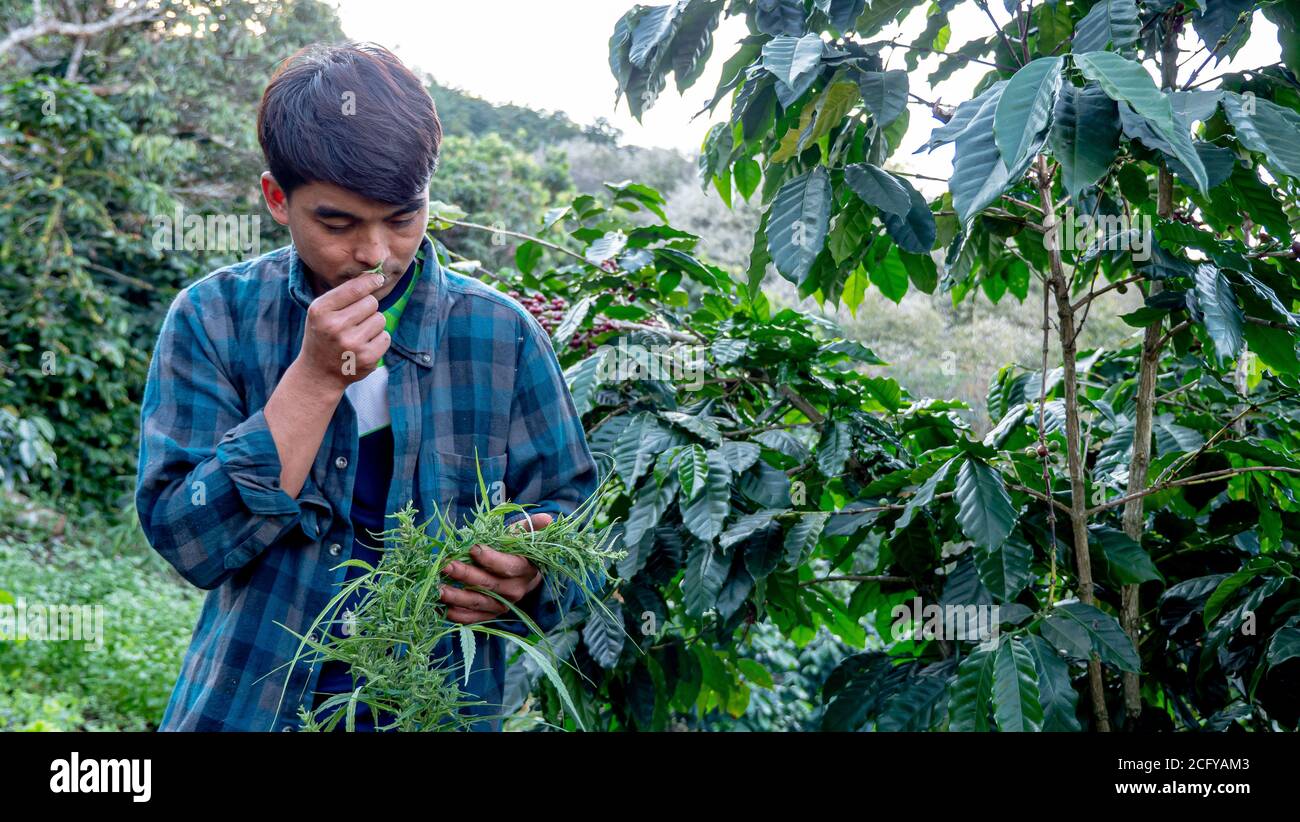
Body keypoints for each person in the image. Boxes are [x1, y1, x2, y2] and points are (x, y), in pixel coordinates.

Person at [134, 41, 598, 732]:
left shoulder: (501, 337)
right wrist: (314, 381)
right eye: (338, 223)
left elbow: (574, 519)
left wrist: (528, 575)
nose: (375, 255)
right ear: (275, 199)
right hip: (247, 710)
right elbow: (189, 542)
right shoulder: (214, 318)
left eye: (403, 218)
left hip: (431, 710)